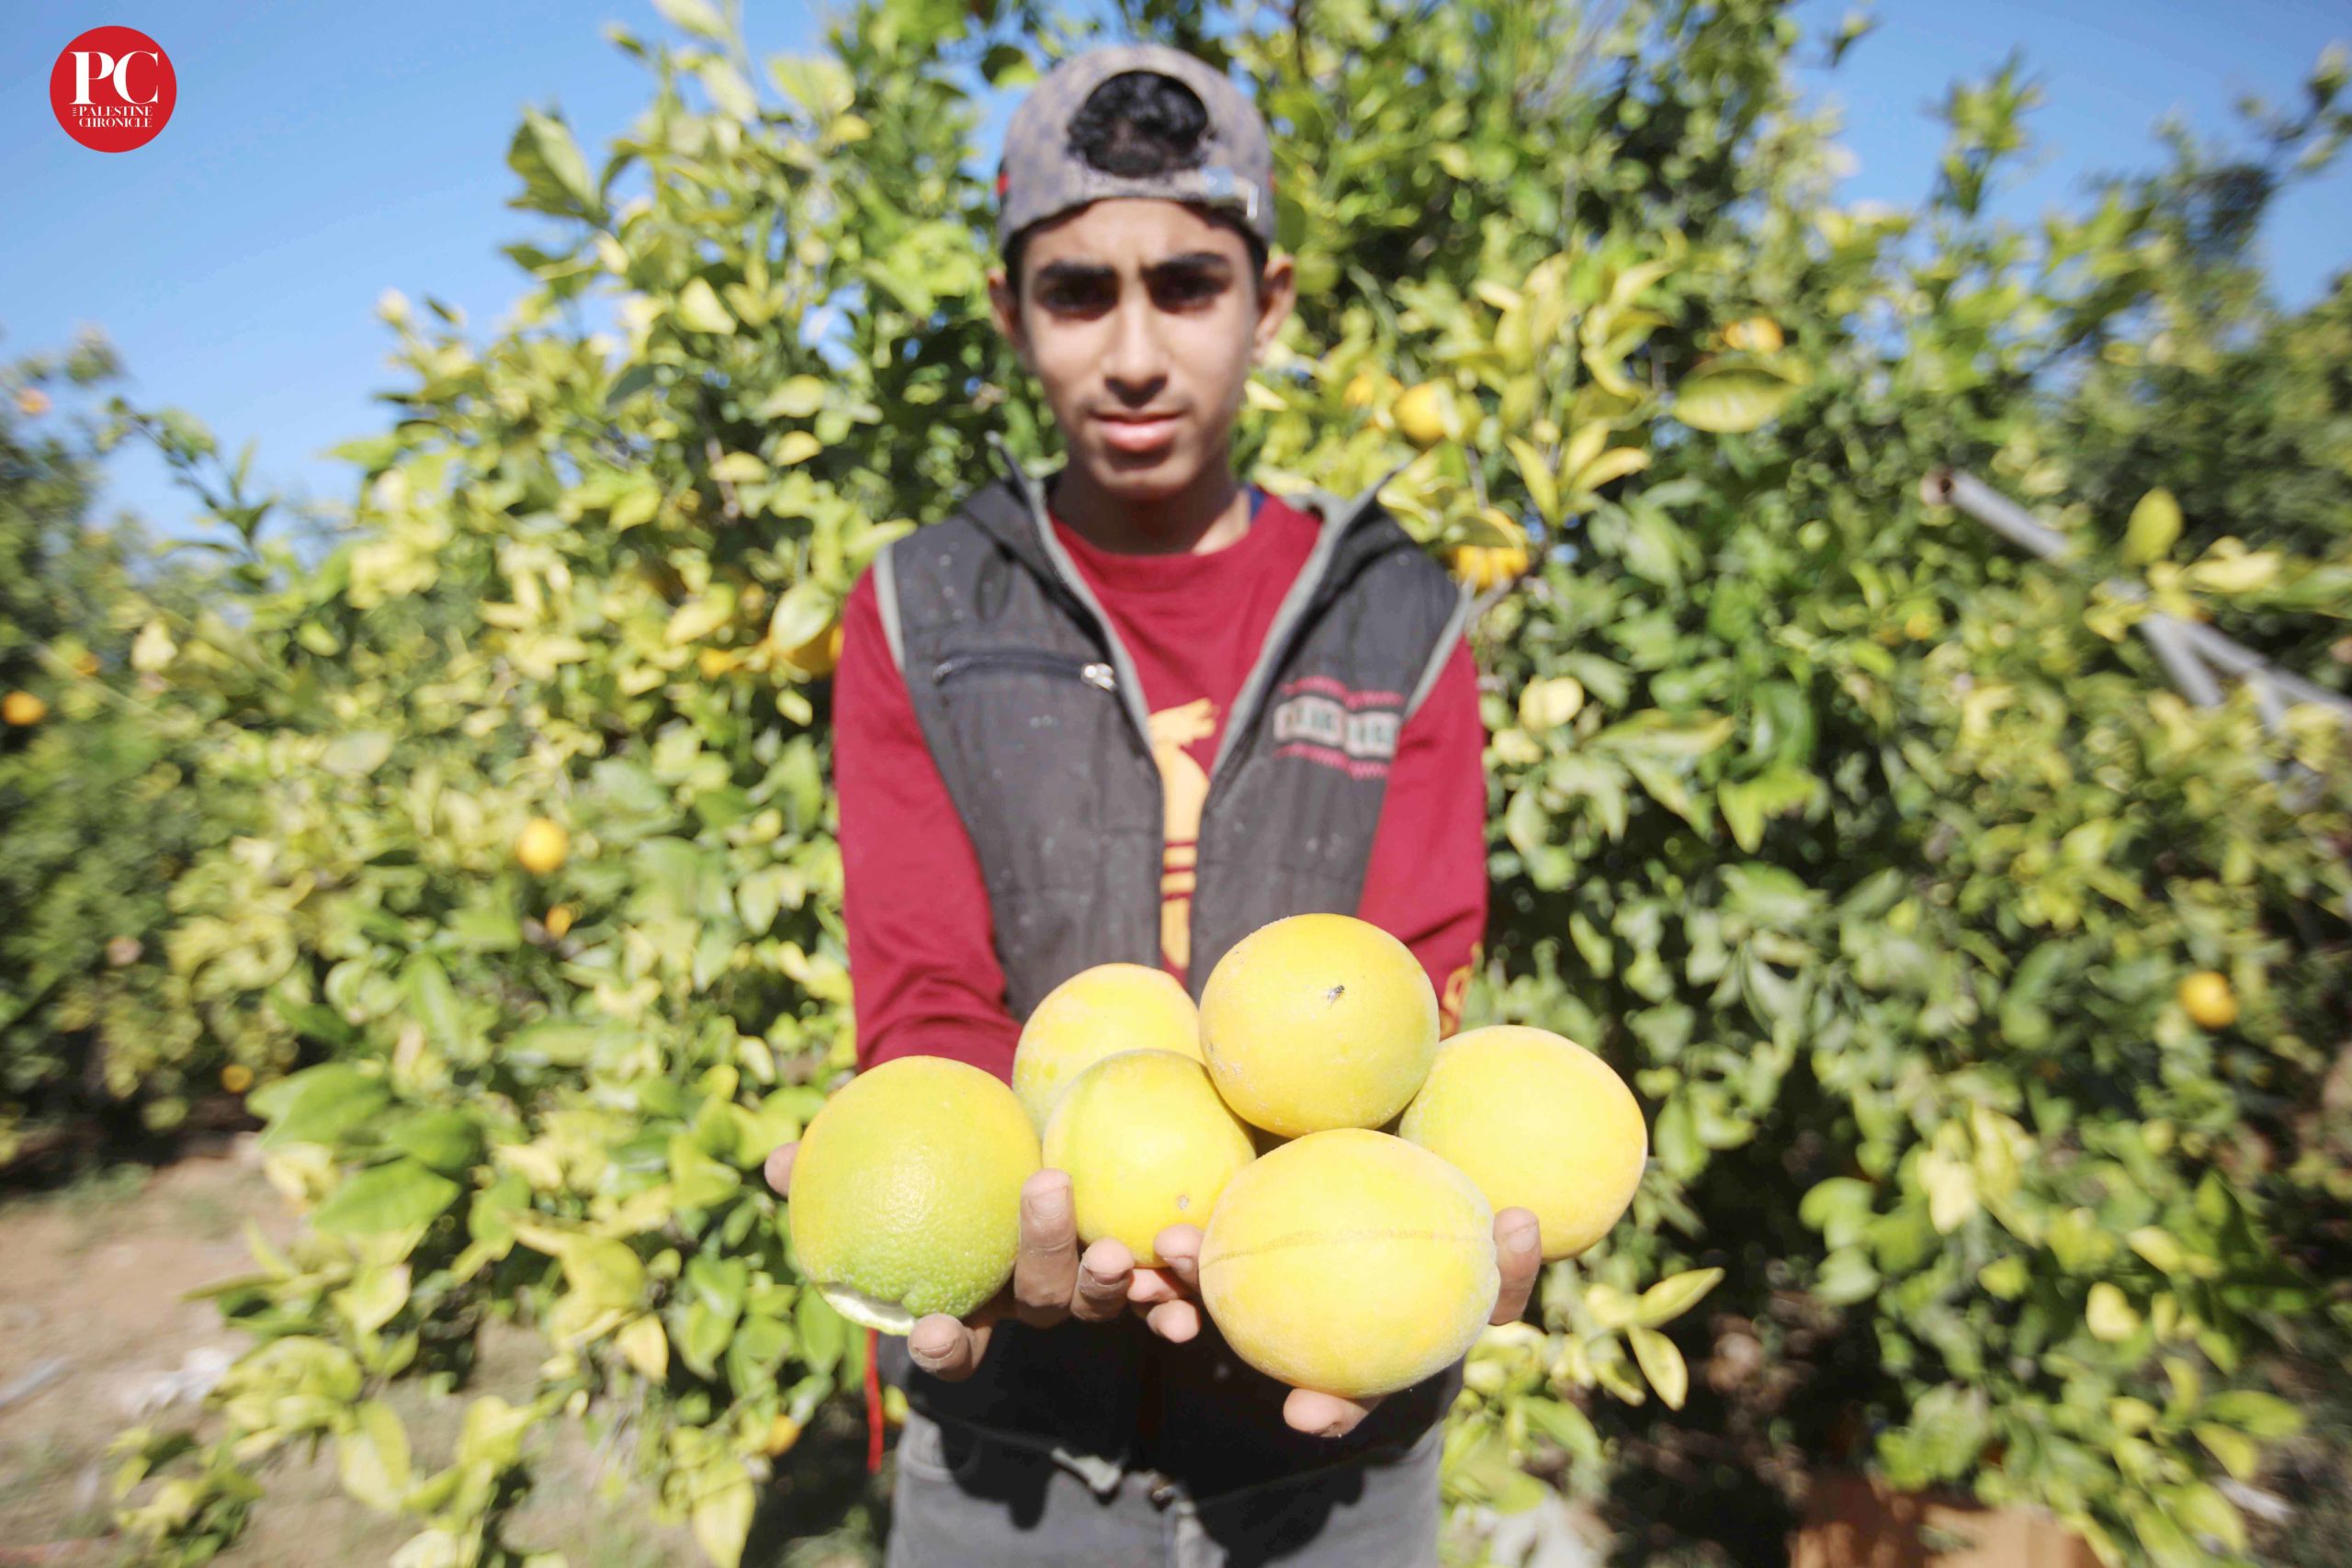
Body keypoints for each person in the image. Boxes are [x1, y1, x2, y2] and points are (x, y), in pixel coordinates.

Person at [761, 42, 1543, 1568]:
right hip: (1016, 1441)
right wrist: (1003, 1193)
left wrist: (1438, 1217)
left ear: (1273, 303)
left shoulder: (1403, 615)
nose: (1133, 352)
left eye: (1187, 285)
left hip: (1329, 1409)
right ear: (1010, 312)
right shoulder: (922, 604)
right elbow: (922, 992)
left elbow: (1417, 980)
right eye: (1077, 291)